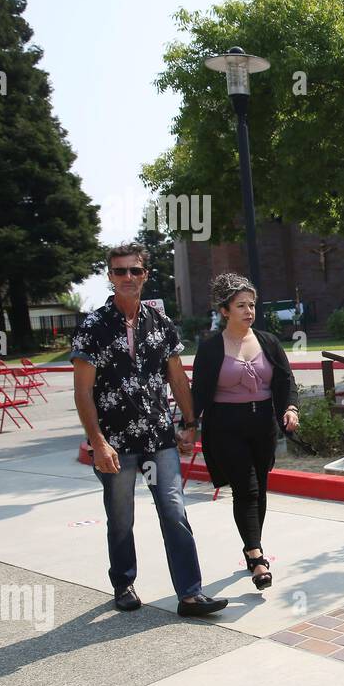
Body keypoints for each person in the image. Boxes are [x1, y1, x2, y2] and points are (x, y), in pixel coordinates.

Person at [70, 243, 227, 618]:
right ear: (110, 276)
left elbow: (177, 377)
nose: (127, 277)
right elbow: (82, 391)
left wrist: (190, 423)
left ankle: (190, 594)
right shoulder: (93, 327)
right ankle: (123, 582)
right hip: (115, 442)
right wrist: (97, 442)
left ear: (145, 275)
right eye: (120, 271)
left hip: (158, 437)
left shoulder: (162, 324)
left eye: (134, 271)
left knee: (174, 511)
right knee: (121, 517)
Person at [190, 273, 299, 590]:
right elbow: (199, 393)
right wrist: (187, 426)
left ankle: (254, 544)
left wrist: (290, 409)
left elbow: (284, 381)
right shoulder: (211, 348)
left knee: (260, 488)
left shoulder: (268, 341)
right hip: (226, 426)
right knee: (246, 488)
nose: (249, 311)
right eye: (241, 305)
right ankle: (256, 557)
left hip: (263, 424)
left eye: (252, 305)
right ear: (225, 310)